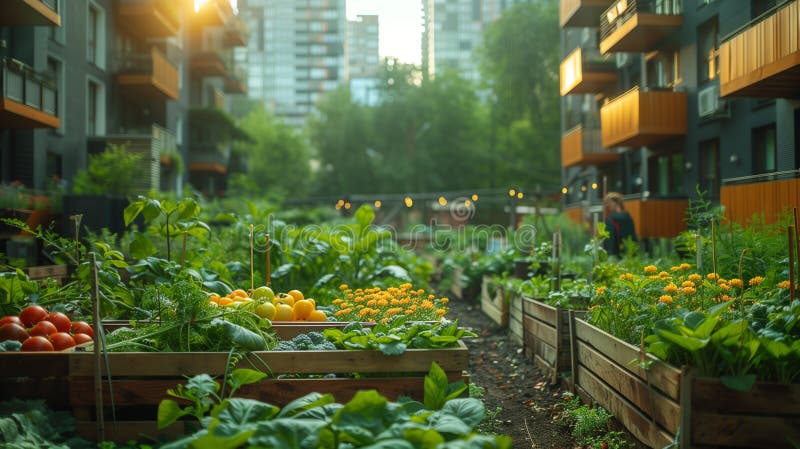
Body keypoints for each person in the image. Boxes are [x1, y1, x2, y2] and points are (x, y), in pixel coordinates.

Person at [602, 192, 638, 257]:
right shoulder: (628, 217)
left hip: (616, 255)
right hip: (629, 253)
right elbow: (633, 237)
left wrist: (609, 254)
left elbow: (610, 241)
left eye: (609, 203)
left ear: (616, 203)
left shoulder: (610, 219)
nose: (607, 206)